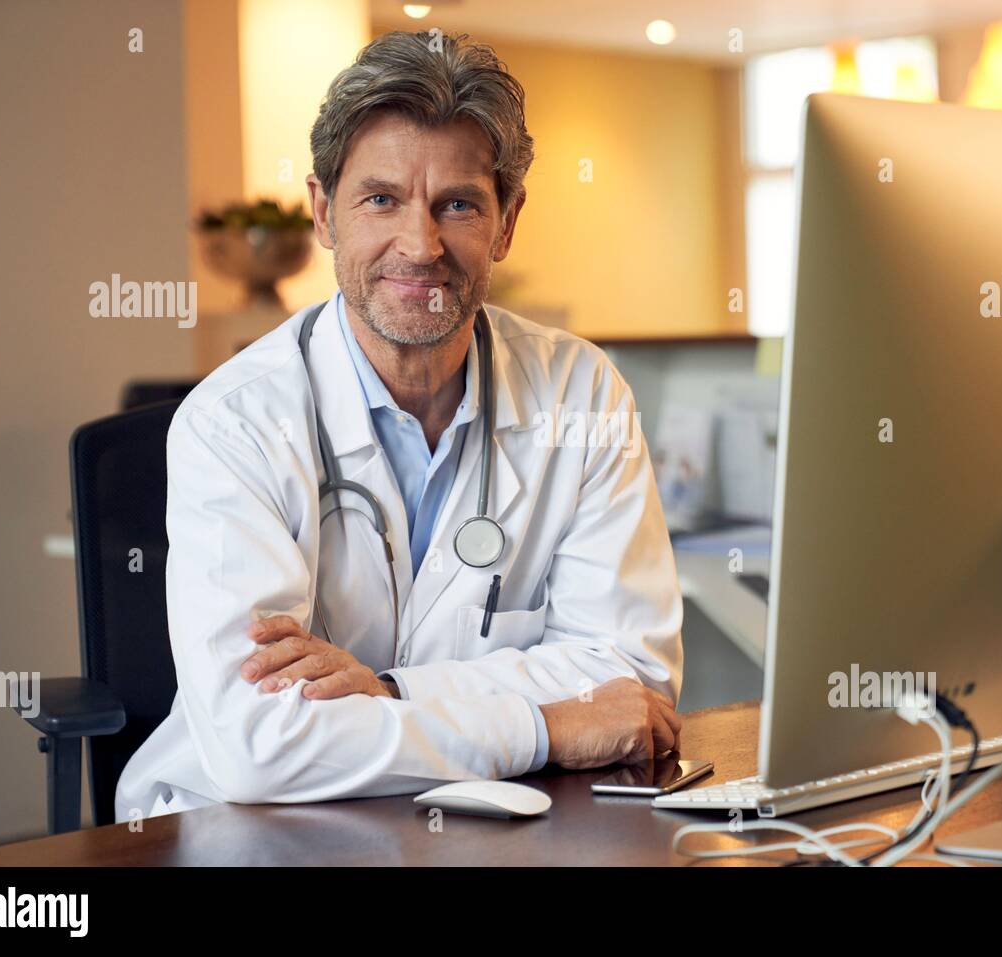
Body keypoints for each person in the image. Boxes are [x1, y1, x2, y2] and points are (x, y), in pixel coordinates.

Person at [115, 31, 683, 818]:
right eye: (380, 199)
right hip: (245, 827)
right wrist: (542, 721)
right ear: (323, 212)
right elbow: (259, 746)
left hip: (485, 823)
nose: (420, 246)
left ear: (507, 222)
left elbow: (629, 679)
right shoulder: (234, 421)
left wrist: (382, 691)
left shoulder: (582, 394)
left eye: (458, 204)